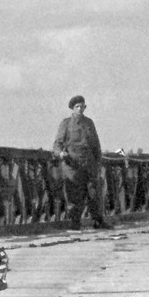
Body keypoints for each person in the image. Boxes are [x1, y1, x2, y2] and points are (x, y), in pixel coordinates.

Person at [52, 95, 107, 229]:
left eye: (82, 106)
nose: (80, 109)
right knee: (74, 195)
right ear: (73, 108)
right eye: (77, 107)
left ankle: (98, 221)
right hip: (72, 164)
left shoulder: (89, 123)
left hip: (89, 163)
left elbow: (96, 145)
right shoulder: (65, 123)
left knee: (94, 194)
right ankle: (75, 223)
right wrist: (60, 153)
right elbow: (57, 144)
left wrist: (98, 162)